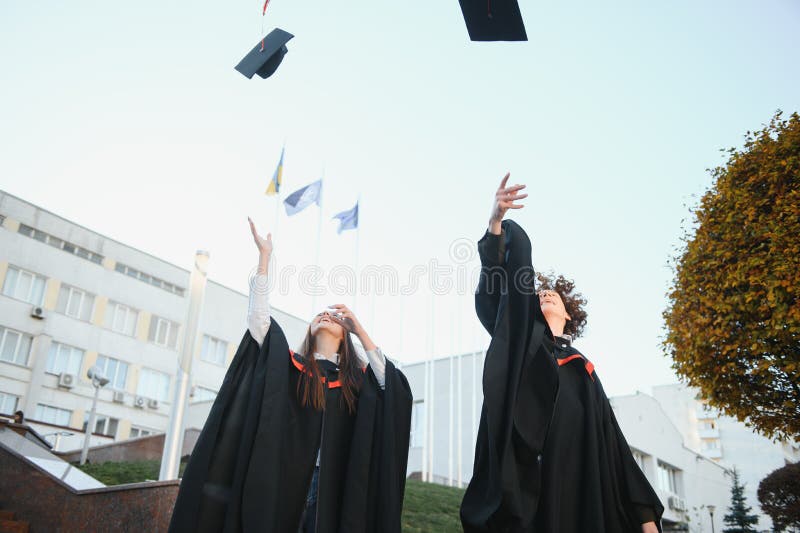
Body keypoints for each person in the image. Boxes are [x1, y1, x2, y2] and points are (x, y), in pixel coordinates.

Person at [168, 218, 413, 533]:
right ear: (310, 330)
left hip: (336, 489)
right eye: (319, 314)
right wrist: (264, 258)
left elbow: (389, 385)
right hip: (285, 484)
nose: (326, 315)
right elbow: (259, 325)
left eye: (334, 316)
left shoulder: (357, 380)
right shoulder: (291, 368)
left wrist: (361, 330)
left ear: (346, 334)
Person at [460, 174, 664, 533]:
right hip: (533, 476)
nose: (546, 295)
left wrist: (646, 519)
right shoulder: (523, 345)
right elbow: (496, 290)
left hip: (582, 479)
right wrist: (496, 224)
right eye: (540, 294)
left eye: (556, 296)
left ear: (570, 314)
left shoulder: (583, 367)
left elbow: (612, 441)